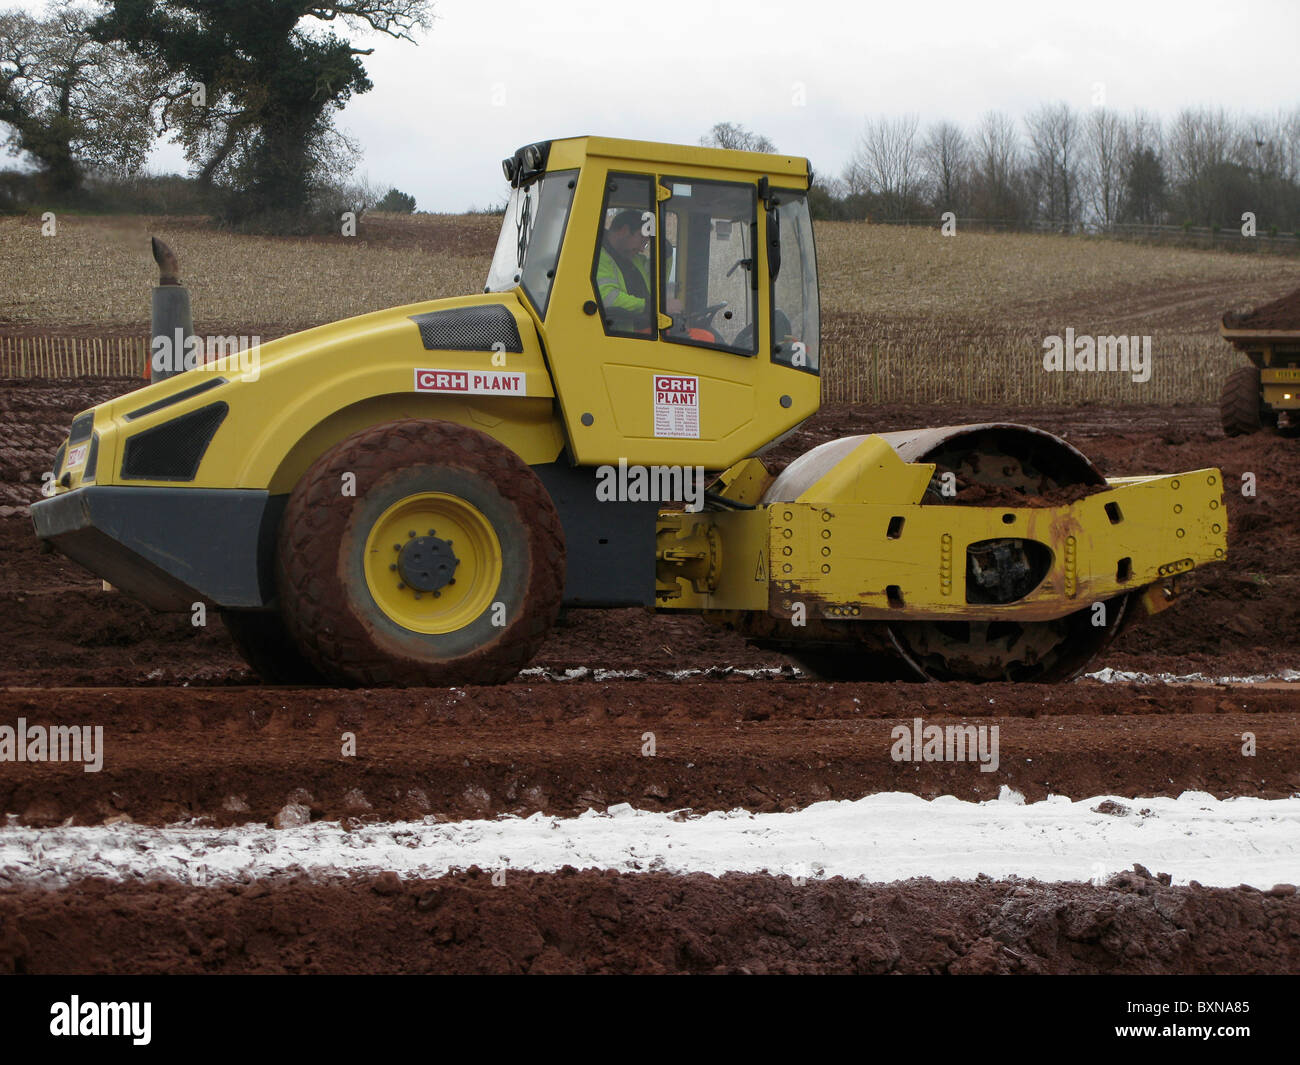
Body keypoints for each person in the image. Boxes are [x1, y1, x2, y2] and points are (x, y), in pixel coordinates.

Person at [596, 209, 654, 330]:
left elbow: (659, 275)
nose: (642, 249)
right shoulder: (596, 257)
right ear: (624, 231)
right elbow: (606, 299)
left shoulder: (634, 258)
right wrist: (649, 306)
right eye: (642, 240)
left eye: (646, 244)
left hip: (642, 333)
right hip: (615, 337)